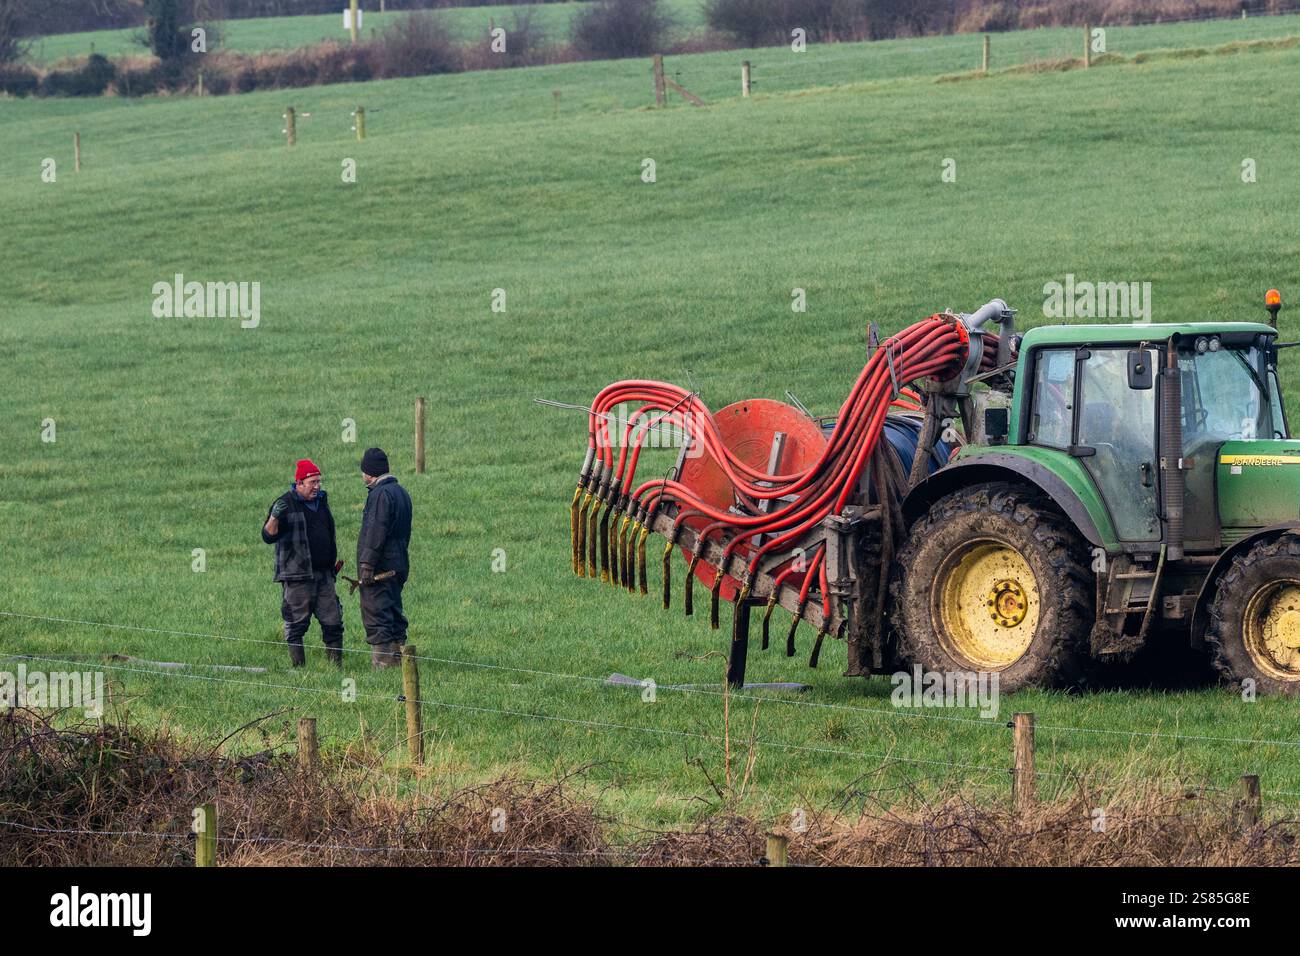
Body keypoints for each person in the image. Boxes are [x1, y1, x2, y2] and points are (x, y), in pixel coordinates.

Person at [262, 459, 344, 668]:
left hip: (325, 575)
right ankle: (298, 669)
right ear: (299, 483)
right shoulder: (284, 503)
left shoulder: (322, 502)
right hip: (297, 576)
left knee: (333, 622)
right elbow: (267, 536)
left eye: (319, 482)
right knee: (296, 623)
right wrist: (274, 516)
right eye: (312, 482)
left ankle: (336, 667)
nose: (317, 487)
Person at [356, 447, 413, 668]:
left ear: (370, 473)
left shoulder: (379, 495)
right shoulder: (401, 492)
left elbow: (375, 532)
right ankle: (401, 662)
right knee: (393, 611)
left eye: (363, 471)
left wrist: (366, 566)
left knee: (377, 613)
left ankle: (383, 664)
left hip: (380, 568)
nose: (362, 476)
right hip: (398, 564)